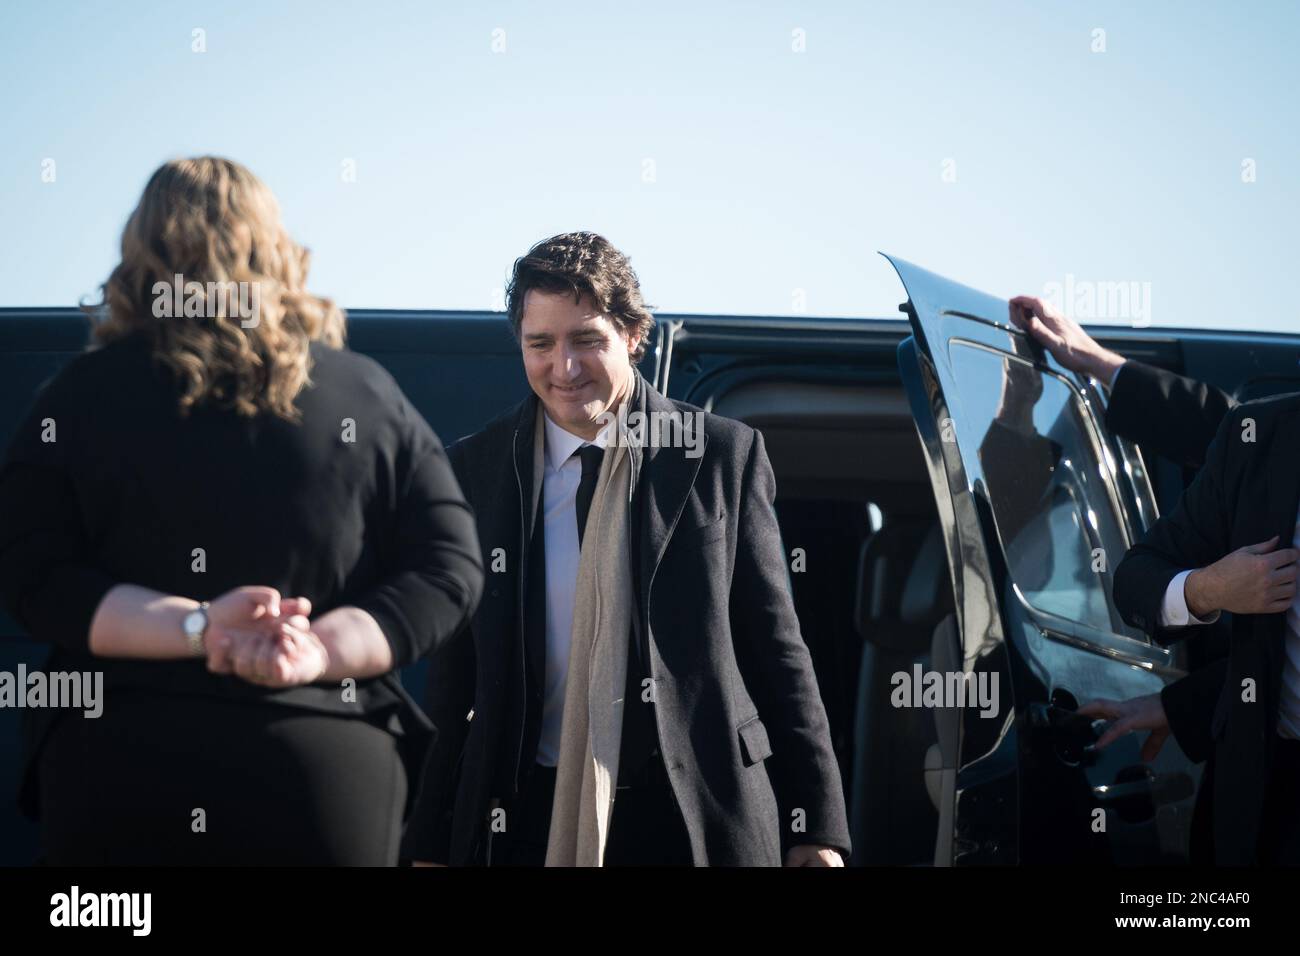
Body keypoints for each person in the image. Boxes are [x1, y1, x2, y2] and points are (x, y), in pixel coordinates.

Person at [0, 157, 484, 865]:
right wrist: (319, 648)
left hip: (119, 765)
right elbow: (450, 570)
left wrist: (200, 627)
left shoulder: (77, 395)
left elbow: (27, 570)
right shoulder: (367, 395)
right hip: (322, 768)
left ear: (143, 251)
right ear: (276, 250)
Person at [405, 232, 849, 866]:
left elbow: (778, 650)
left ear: (634, 334)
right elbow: (453, 681)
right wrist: (430, 842)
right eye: (541, 344)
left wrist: (819, 824)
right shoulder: (475, 470)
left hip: (691, 814)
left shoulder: (720, 455)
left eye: (587, 339)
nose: (565, 368)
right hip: (526, 814)